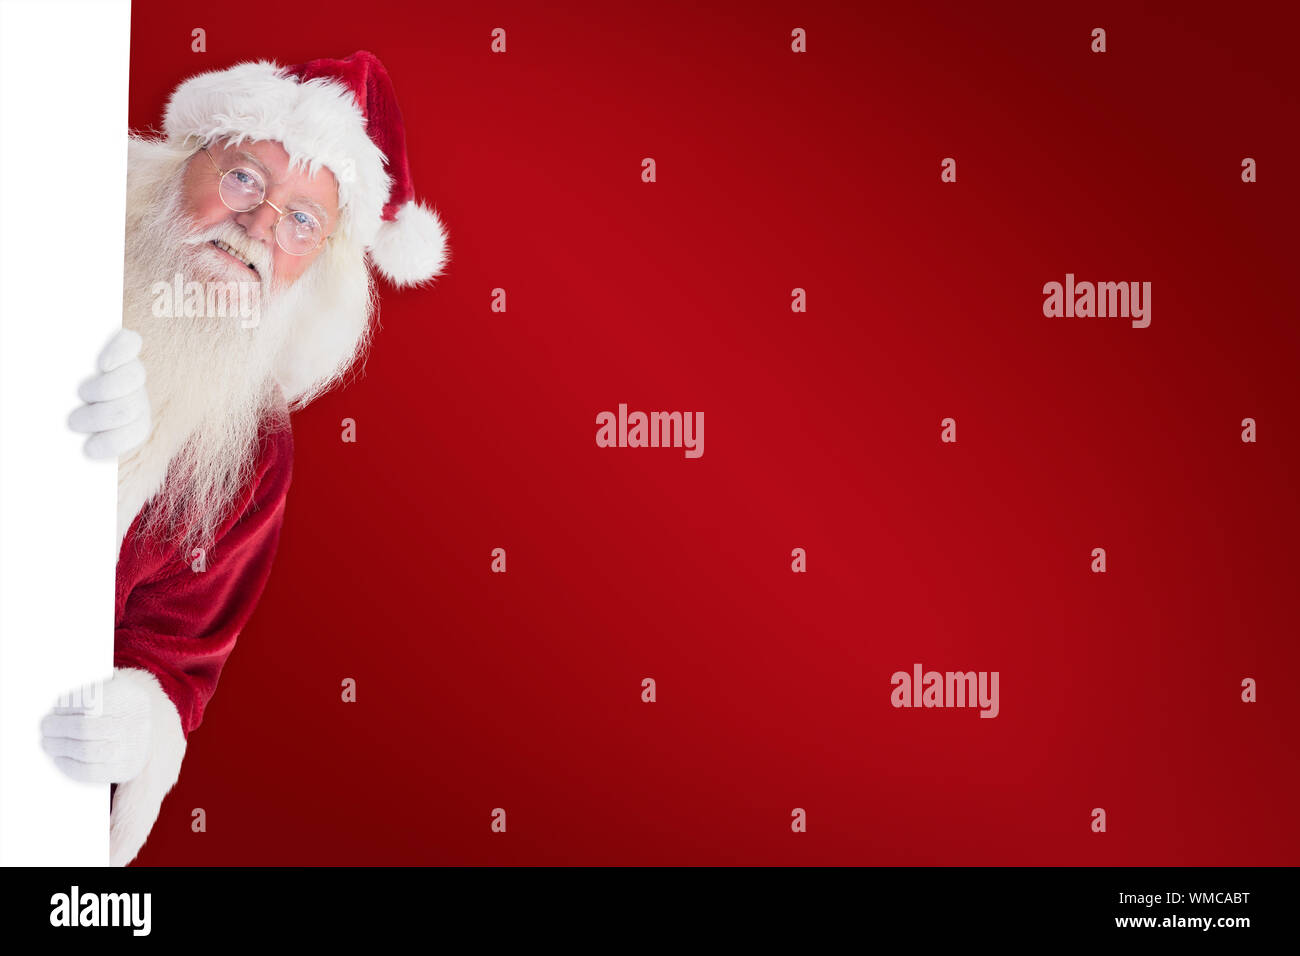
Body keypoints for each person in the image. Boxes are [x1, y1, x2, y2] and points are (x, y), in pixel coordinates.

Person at [40, 50, 450, 866]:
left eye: (303, 219)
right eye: (244, 180)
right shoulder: (38, 254)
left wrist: (135, 720)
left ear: (317, 265)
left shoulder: (255, 456)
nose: (261, 226)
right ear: (176, 170)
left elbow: (174, 659)